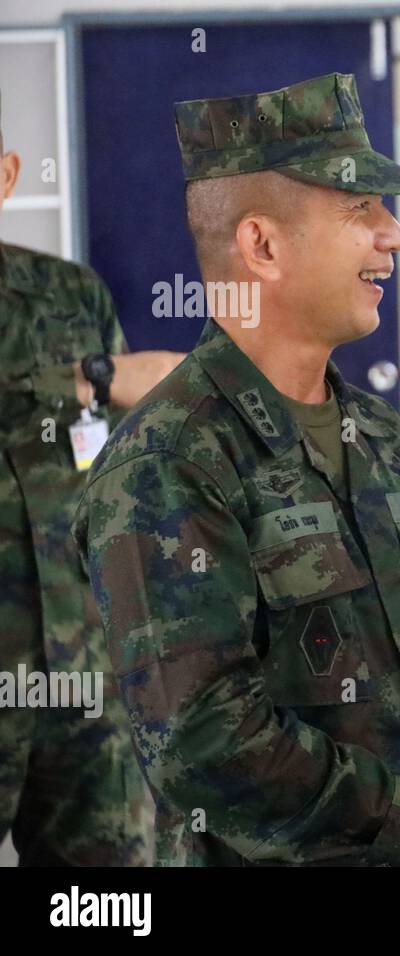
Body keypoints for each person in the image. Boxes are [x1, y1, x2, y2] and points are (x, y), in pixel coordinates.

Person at [74, 73, 400, 866]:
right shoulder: (166, 465)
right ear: (263, 246)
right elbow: (204, 747)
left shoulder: (378, 436)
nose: (395, 235)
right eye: (362, 210)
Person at [1, 90, 182, 866]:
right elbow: (96, 387)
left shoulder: (68, 295)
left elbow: (109, 461)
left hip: (87, 672)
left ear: (6, 176)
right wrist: (80, 380)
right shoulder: (82, 360)